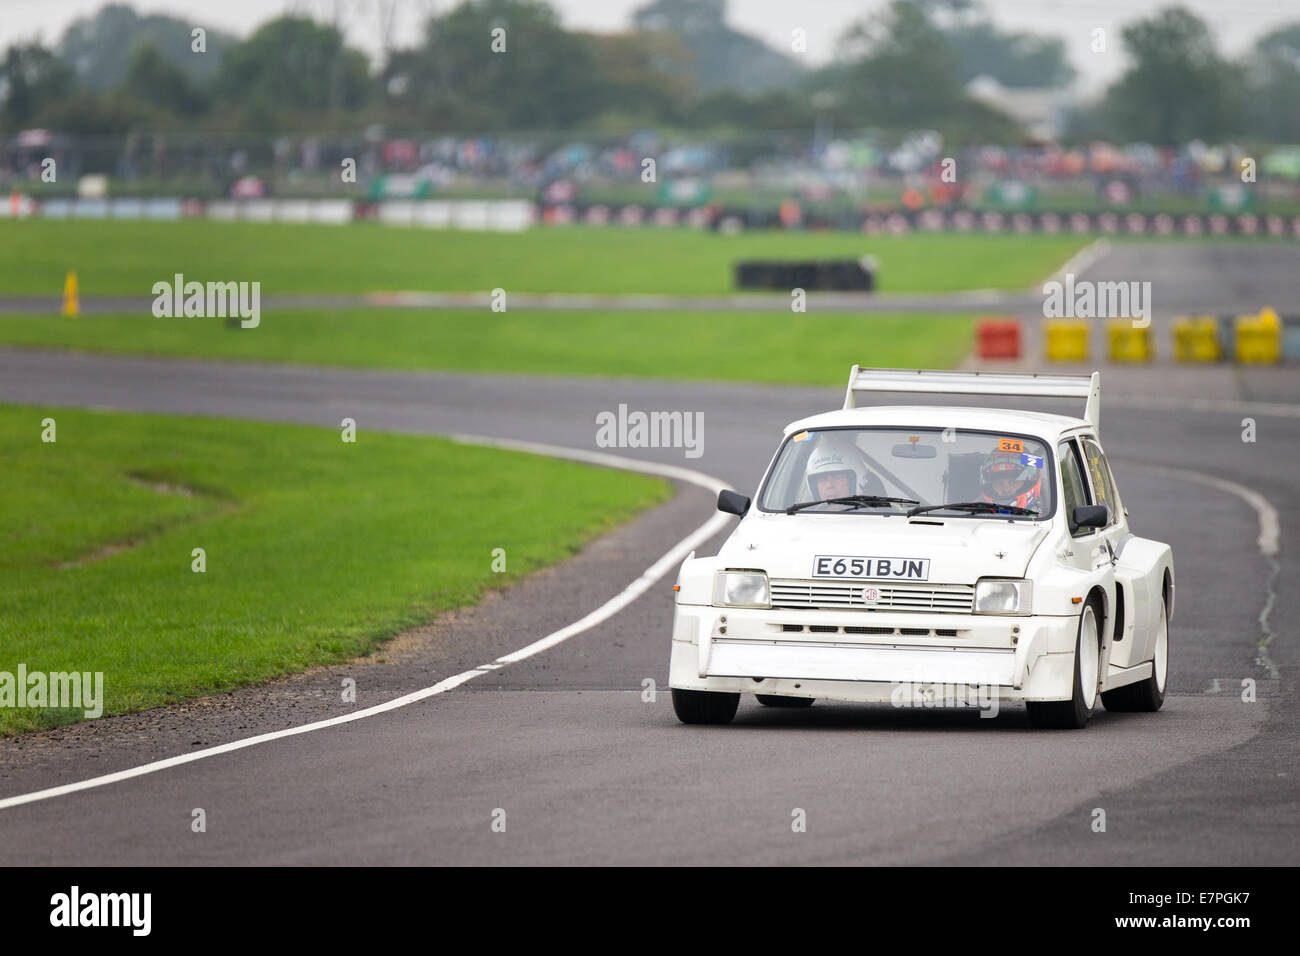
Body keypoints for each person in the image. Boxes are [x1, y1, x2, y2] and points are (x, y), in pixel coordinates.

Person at [805, 438, 873, 501]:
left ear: (857, 480)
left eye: (838, 477)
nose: (829, 485)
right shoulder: (803, 513)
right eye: (822, 479)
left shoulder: (871, 513)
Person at [980, 447, 1042, 511]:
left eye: (1013, 482)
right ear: (991, 486)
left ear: (1026, 483)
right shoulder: (976, 510)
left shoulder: (1049, 513)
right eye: (999, 483)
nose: (1006, 489)